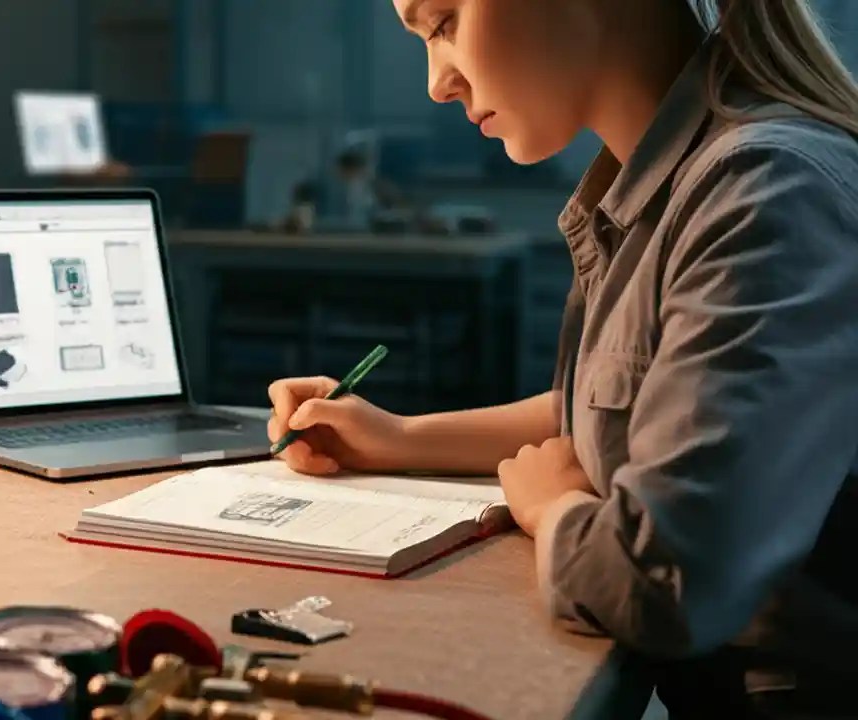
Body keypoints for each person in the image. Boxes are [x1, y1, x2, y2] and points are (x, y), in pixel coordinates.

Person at [266, 0, 858, 717]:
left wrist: (553, 509)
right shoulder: (669, 186)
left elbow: (663, 586)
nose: (436, 83)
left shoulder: (766, 193)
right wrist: (398, 437)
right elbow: (630, 411)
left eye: (445, 23)